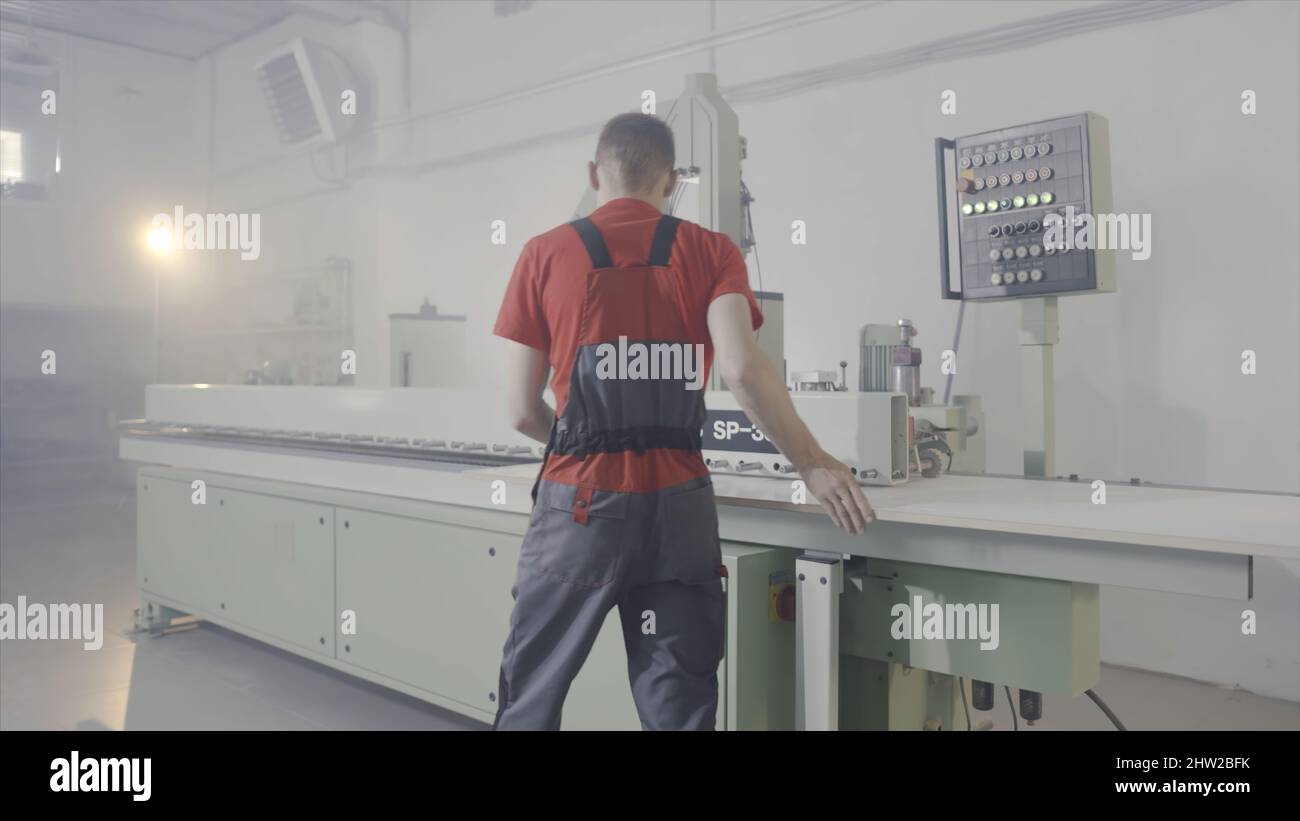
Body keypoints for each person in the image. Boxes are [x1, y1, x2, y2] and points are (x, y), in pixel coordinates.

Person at [491, 112, 875, 731]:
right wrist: (814, 463)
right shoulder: (711, 251)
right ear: (670, 181)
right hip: (677, 509)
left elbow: (519, 410)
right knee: (679, 701)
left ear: (595, 173)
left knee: (532, 690)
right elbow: (743, 371)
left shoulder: (544, 253)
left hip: (581, 508)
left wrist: (581, 445)